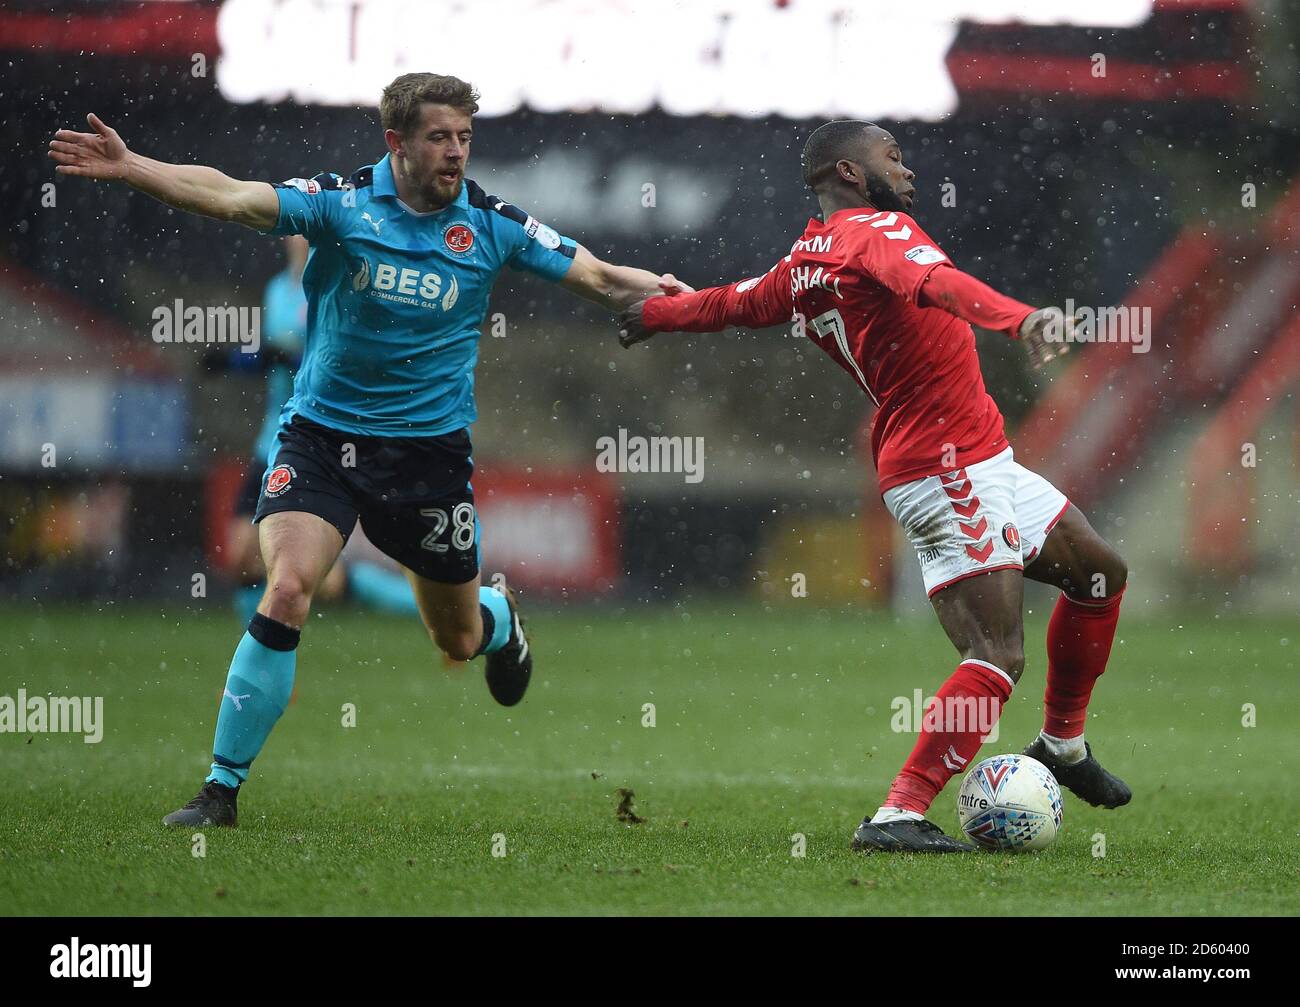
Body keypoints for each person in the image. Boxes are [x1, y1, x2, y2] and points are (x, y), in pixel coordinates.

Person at [50, 72, 688, 828]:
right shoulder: (338, 204)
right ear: (397, 142)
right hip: (320, 437)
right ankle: (219, 790)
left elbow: (601, 277)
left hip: (426, 462)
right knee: (287, 587)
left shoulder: (491, 225)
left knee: (453, 634)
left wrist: (690, 302)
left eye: (465, 138)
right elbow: (230, 194)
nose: (456, 154)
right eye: (440, 138)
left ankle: (499, 619)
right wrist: (133, 166)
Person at [617, 120, 1131, 853]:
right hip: (947, 464)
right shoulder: (877, 233)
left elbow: (732, 303)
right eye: (892, 155)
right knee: (996, 652)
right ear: (849, 173)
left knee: (1099, 574)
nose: (909, 170)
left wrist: (659, 313)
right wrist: (1021, 320)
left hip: (973, 456)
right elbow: (940, 284)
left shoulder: (806, 261)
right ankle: (898, 812)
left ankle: (1062, 746)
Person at [225, 235, 419, 625]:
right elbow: (271, 354)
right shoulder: (277, 289)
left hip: (316, 438)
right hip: (274, 436)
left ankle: (425, 607)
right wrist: (239, 359)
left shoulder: (334, 284)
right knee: (240, 557)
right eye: (296, 230)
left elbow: (331, 356)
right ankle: (263, 666)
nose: (302, 238)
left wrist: (285, 355)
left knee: (312, 579)